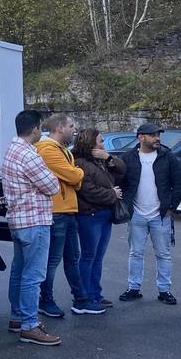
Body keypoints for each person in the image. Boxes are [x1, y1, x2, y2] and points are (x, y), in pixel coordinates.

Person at [2, 110, 62, 346]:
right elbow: (52, 186)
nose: (42, 131)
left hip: (18, 221)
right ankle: (29, 325)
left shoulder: (11, 149)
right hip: (35, 221)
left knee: (19, 271)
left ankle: (17, 318)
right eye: (41, 128)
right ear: (35, 128)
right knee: (33, 275)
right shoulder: (29, 155)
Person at [35, 114, 94, 316]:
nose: (74, 129)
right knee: (53, 260)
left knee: (72, 258)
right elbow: (73, 175)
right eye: (71, 126)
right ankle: (45, 300)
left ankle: (81, 299)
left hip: (67, 210)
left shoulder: (61, 150)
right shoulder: (47, 149)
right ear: (59, 128)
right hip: (56, 211)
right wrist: (75, 175)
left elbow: (75, 178)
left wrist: (75, 176)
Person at [120, 122, 181, 305]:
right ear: (141, 137)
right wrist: (126, 206)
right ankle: (133, 288)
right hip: (136, 214)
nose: (157, 138)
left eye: (158, 135)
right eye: (153, 135)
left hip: (161, 214)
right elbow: (122, 182)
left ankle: (164, 290)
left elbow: (179, 182)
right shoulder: (128, 157)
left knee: (163, 254)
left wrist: (172, 206)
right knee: (135, 253)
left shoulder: (167, 156)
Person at [72, 128, 125, 311]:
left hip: (104, 213)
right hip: (90, 215)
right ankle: (84, 297)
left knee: (98, 257)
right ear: (90, 144)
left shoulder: (100, 160)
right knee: (88, 256)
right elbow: (87, 190)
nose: (103, 144)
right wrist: (112, 194)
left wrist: (108, 157)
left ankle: (96, 294)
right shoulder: (79, 163)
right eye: (100, 141)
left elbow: (122, 170)